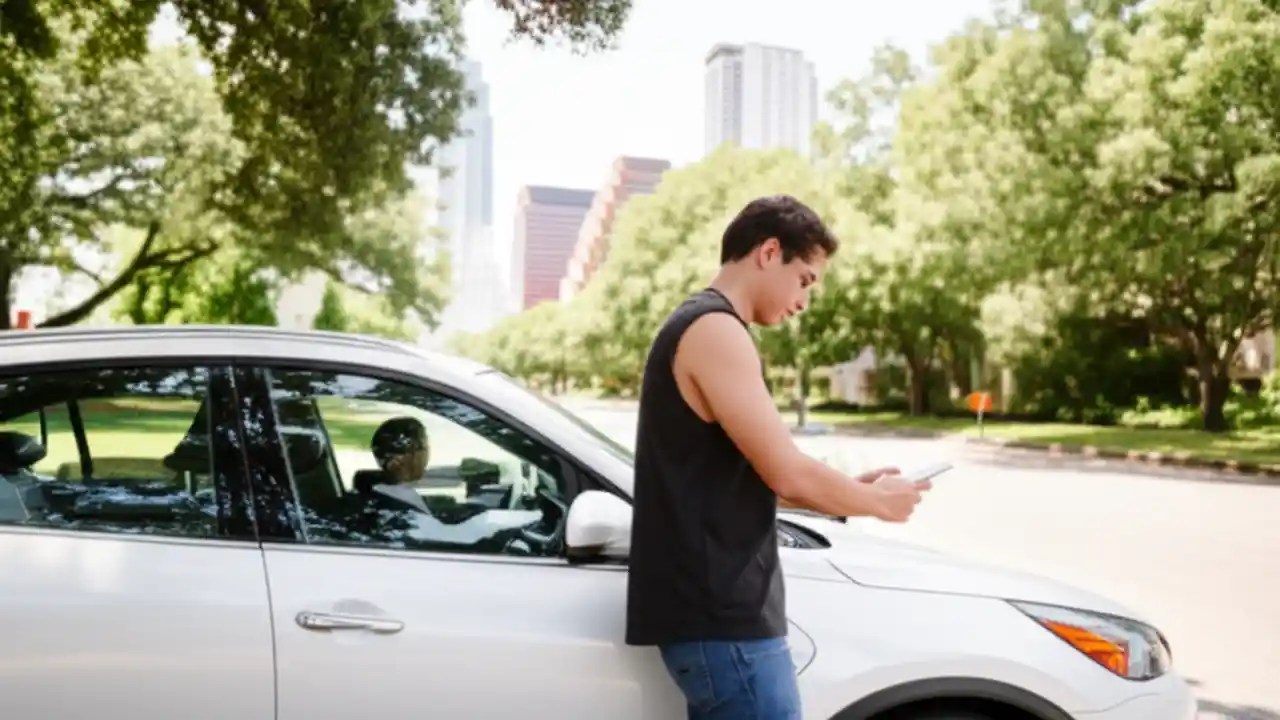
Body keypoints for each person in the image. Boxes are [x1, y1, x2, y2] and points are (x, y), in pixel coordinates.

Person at [625, 195, 930, 719]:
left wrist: (849, 490)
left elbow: (738, 481)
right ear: (769, 252)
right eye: (806, 279)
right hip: (724, 625)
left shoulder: (708, 327)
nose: (805, 300)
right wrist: (878, 504)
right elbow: (787, 474)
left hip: (714, 624)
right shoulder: (715, 330)